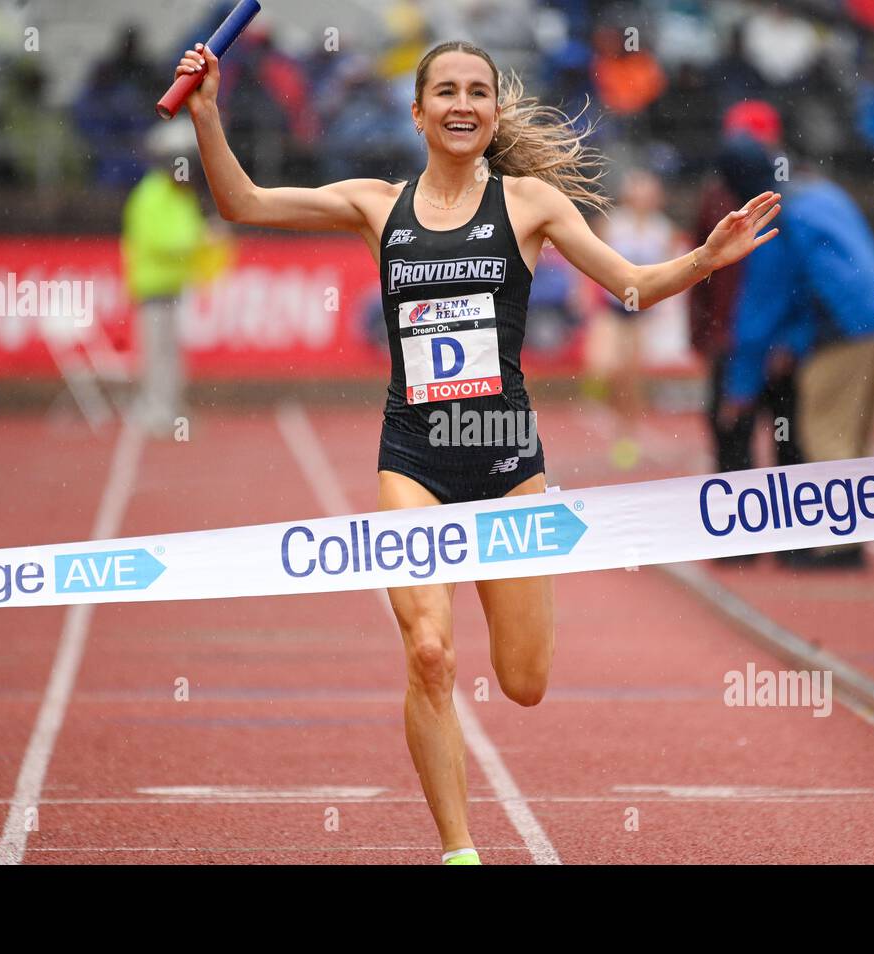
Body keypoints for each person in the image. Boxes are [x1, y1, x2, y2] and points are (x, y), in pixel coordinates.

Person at [175, 38, 780, 863]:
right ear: (418, 112)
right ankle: (461, 851)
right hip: (413, 461)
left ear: (493, 112)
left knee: (524, 682)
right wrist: (209, 112)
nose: (463, 104)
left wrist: (706, 259)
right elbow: (243, 202)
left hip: (505, 464)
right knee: (428, 652)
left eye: (478, 92)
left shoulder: (530, 204)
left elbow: (630, 286)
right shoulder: (375, 205)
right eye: (446, 92)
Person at [716, 136, 874, 570]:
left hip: (846, 330)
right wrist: (796, 341)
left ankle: (839, 548)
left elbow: (763, 308)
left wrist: (740, 388)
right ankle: (851, 536)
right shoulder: (821, 191)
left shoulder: (777, 217)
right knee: (853, 437)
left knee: (825, 434)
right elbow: (823, 275)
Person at [691, 104, 803, 563]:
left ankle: (790, 539)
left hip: (767, 338)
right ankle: (744, 538)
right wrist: (704, 335)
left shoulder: (789, 202)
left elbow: (797, 277)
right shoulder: (715, 201)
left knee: (785, 437)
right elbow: (697, 267)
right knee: (734, 434)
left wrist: (791, 340)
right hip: (734, 339)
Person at [588, 167, 688, 469]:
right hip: (612, 310)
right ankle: (605, 404)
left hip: (640, 315)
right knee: (601, 368)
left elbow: (673, 271)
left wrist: (664, 309)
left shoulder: (664, 230)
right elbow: (589, 259)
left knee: (630, 378)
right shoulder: (612, 224)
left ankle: (626, 435)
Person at [122, 119, 209, 435]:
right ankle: (154, 410)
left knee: (171, 355)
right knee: (155, 355)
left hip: (173, 287)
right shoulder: (150, 195)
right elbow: (158, 240)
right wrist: (197, 242)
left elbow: (192, 231)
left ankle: (170, 408)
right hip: (152, 289)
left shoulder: (180, 195)